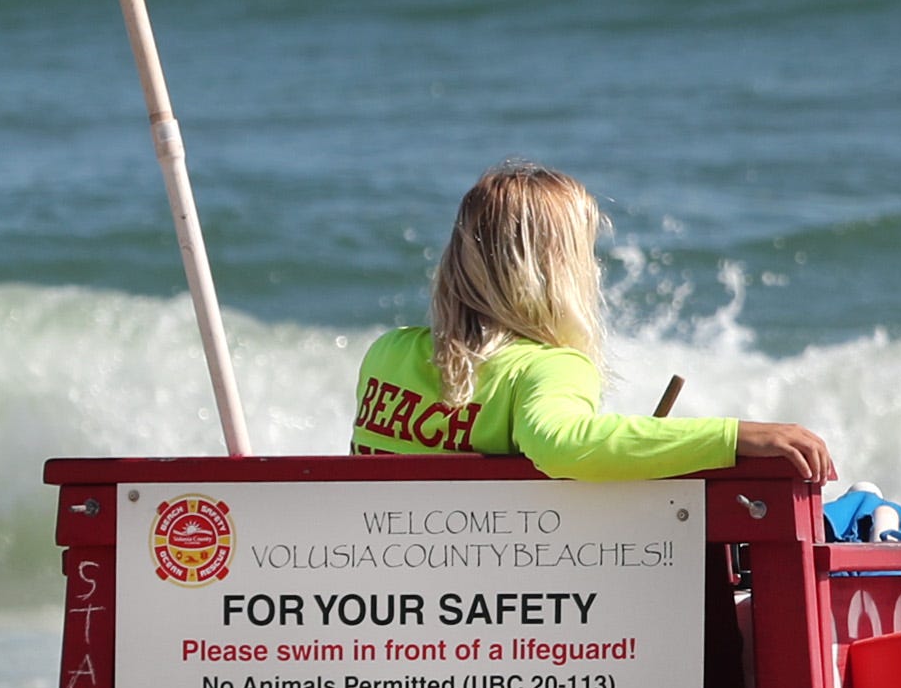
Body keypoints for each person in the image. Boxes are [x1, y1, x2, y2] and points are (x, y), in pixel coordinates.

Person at [351, 161, 832, 483]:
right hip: (518, 604)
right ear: (557, 271)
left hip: (387, 595)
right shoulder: (547, 368)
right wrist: (738, 436)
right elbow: (563, 444)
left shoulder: (388, 352)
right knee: (863, 508)